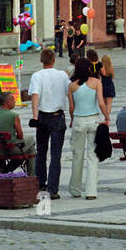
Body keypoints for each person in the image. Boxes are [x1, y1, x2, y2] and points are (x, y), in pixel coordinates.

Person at [28, 48, 70, 199]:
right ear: (54, 60)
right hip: (58, 116)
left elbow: (35, 96)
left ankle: (40, 184)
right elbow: (69, 92)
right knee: (56, 154)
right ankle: (53, 189)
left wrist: (35, 116)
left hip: (43, 116)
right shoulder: (62, 75)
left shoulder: (37, 76)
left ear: (41, 60)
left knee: (41, 152)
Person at [67, 56, 105, 199]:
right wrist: (106, 116)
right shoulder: (96, 82)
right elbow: (101, 103)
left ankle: (75, 189)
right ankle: (91, 191)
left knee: (77, 155)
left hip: (78, 119)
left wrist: (72, 119)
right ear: (90, 68)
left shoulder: (72, 85)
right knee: (92, 156)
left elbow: (71, 107)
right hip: (93, 118)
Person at [0, 90, 36, 174]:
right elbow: (20, 135)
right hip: (10, 149)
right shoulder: (14, 116)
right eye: (13, 99)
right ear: (8, 102)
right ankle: (31, 176)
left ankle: (3, 170)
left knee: (29, 149)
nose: (15, 101)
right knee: (31, 144)